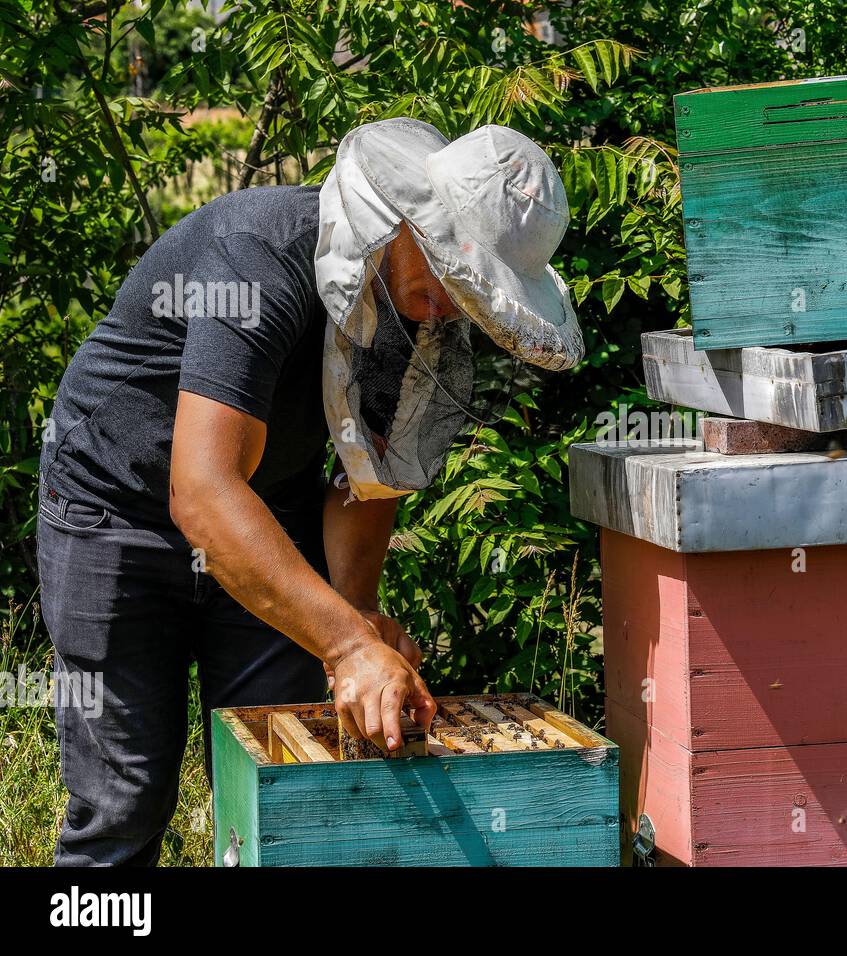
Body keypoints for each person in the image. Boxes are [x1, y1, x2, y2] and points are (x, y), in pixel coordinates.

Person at [36, 118, 584, 865]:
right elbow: (201, 492)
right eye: (455, 269)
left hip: (265, 512)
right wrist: (350, 646)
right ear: (407, 218)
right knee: (125, 802)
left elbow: (371, 478)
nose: (454, 301)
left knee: (284, 774)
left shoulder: (418, 308)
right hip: (115, 505)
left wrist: (354, 612)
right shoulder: (259, 253)